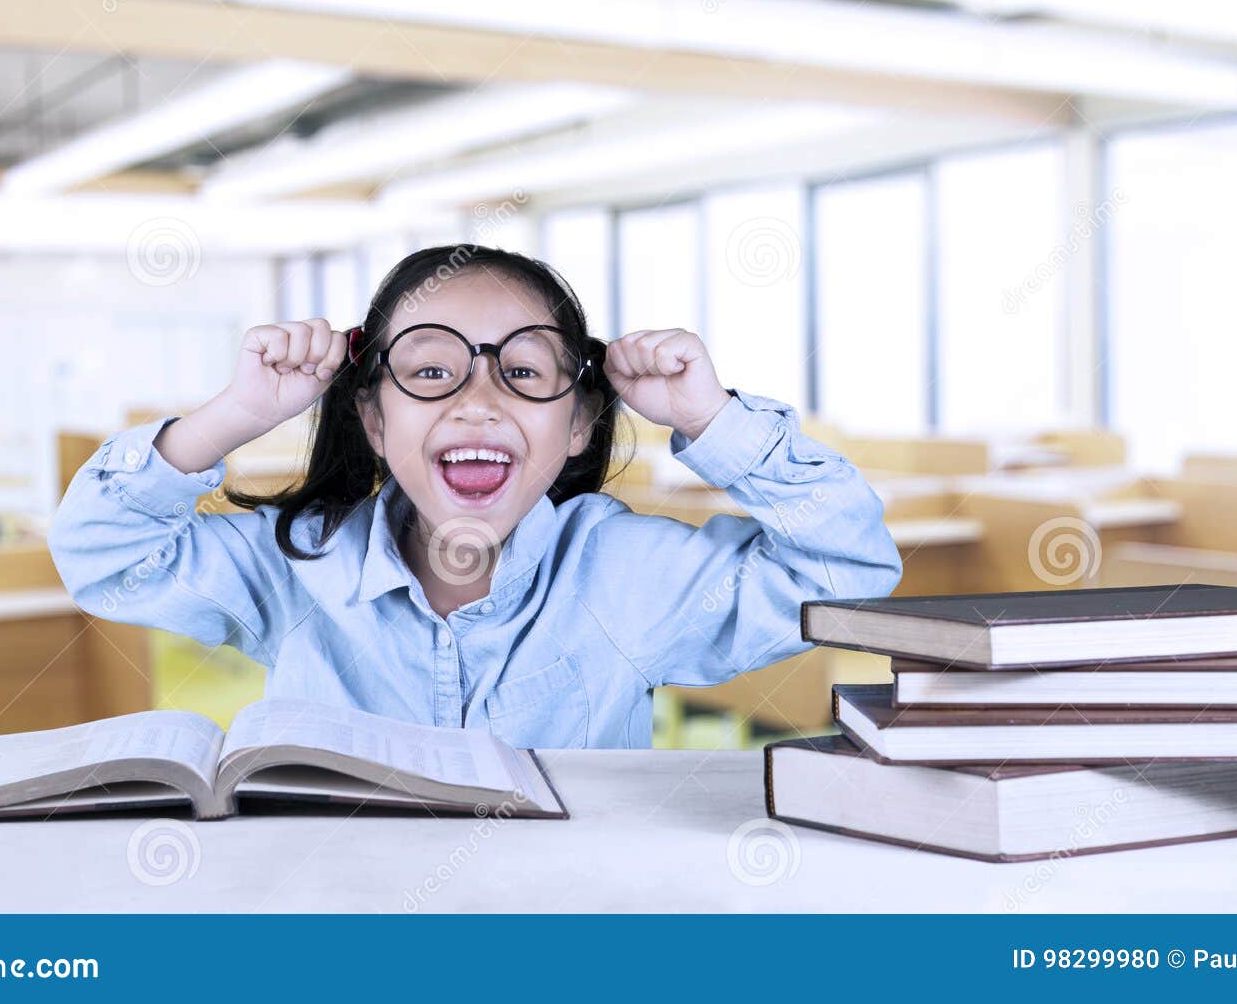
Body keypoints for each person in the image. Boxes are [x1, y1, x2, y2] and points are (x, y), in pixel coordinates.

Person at [48, 243, 902, 747]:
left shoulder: (624, 573)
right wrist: (236, 413)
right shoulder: (298, 562)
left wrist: (713, 418)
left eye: (524, 369)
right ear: (375, 420)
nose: (479, 400)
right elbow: (102, 553)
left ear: (578, 424)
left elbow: (847, 566)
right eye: (430, 369)